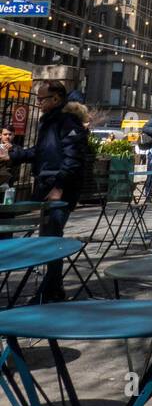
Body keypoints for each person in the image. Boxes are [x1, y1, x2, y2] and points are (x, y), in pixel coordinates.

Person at [0, 82, 90, 302]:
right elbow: (41, 152)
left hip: (59, 188)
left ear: (57, 98)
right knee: (48, 237)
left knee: (51, 238)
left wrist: (59, 187)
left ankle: (50, 291)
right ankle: (53, 289)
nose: (38, 102)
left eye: (42, 99)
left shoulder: (67, 122)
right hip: (45, 183)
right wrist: (13, 156)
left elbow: (73, 159)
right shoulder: (50, 122)